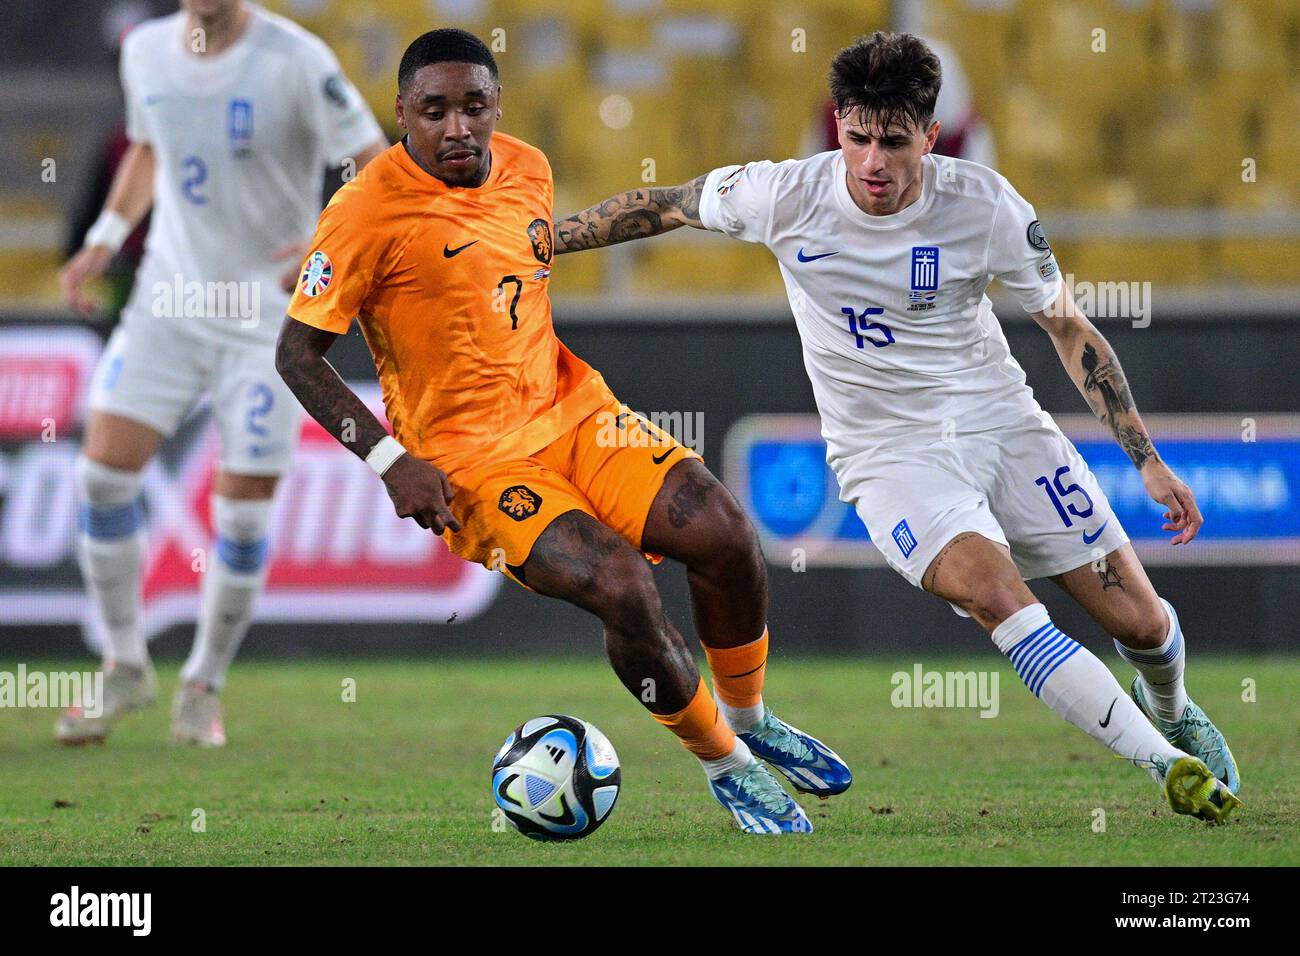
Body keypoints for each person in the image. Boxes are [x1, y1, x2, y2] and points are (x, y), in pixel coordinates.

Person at [551, 31, 1240, 824]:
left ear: (929, 135)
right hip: (889, 457)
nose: (872, 162)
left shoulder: (986, 206)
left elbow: (1069, 329)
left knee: (1144, 624)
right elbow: (664, 203)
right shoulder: (784, 194)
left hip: (1003, 426)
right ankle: (1165, 765)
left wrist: (1145, 460)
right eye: (856, 138)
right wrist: (545, 240)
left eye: (893, 141)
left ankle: (1174, 706)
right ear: (837, 125)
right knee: (996, 594)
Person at [275, 28, 851, 835]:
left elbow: (518, 261)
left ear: (497, 104)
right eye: (434, 111)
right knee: (622, 587)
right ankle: (729, 765)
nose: (457, 128)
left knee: (725, 534)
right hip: (471, 461)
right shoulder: (364, 211)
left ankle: (753, 720)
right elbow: (296, 356)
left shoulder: (529, 167)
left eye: (474, 106)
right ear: (402, 111)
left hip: (577, 414)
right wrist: (387, 459)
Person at [56, 0, 387, 747]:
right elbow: (147, 148)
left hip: (264, 322)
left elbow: (375, 163)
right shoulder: (143, 50)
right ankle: (124, 664)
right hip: (166, 304)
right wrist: (106, 239)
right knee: (102, 478)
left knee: (240, 513)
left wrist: (323, 243)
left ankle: (203, 683)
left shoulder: (297, 59)